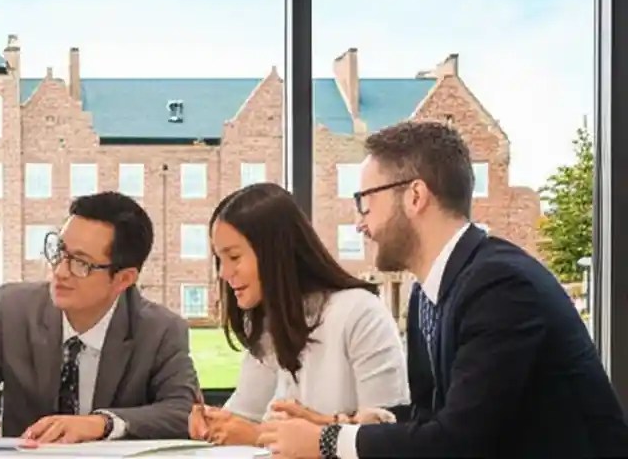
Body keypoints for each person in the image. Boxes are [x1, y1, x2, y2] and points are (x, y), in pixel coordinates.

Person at [259, 120, 628, 458]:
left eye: (364, 203)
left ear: (415, 196)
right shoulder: (428, 292)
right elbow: (433, 416)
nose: (359, 223)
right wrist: (346, 423)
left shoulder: (501, 287)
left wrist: (328, 443)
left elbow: (457, 442)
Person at [0, 192, 199, 442]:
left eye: (81, 263)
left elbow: (185, 412)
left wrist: (102, 423)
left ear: (124, 279)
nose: (60, 271)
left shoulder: (160, 330)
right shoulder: (15, 311)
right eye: (60, 251)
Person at [192, 183, 408, 446]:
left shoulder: (360, 314)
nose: (223, 274)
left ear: (276, 253)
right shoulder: (269, 327)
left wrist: (261, 436)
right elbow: (241, 416)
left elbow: (388, 437)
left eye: (234, 257)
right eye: (219, 259)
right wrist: (212, 423)